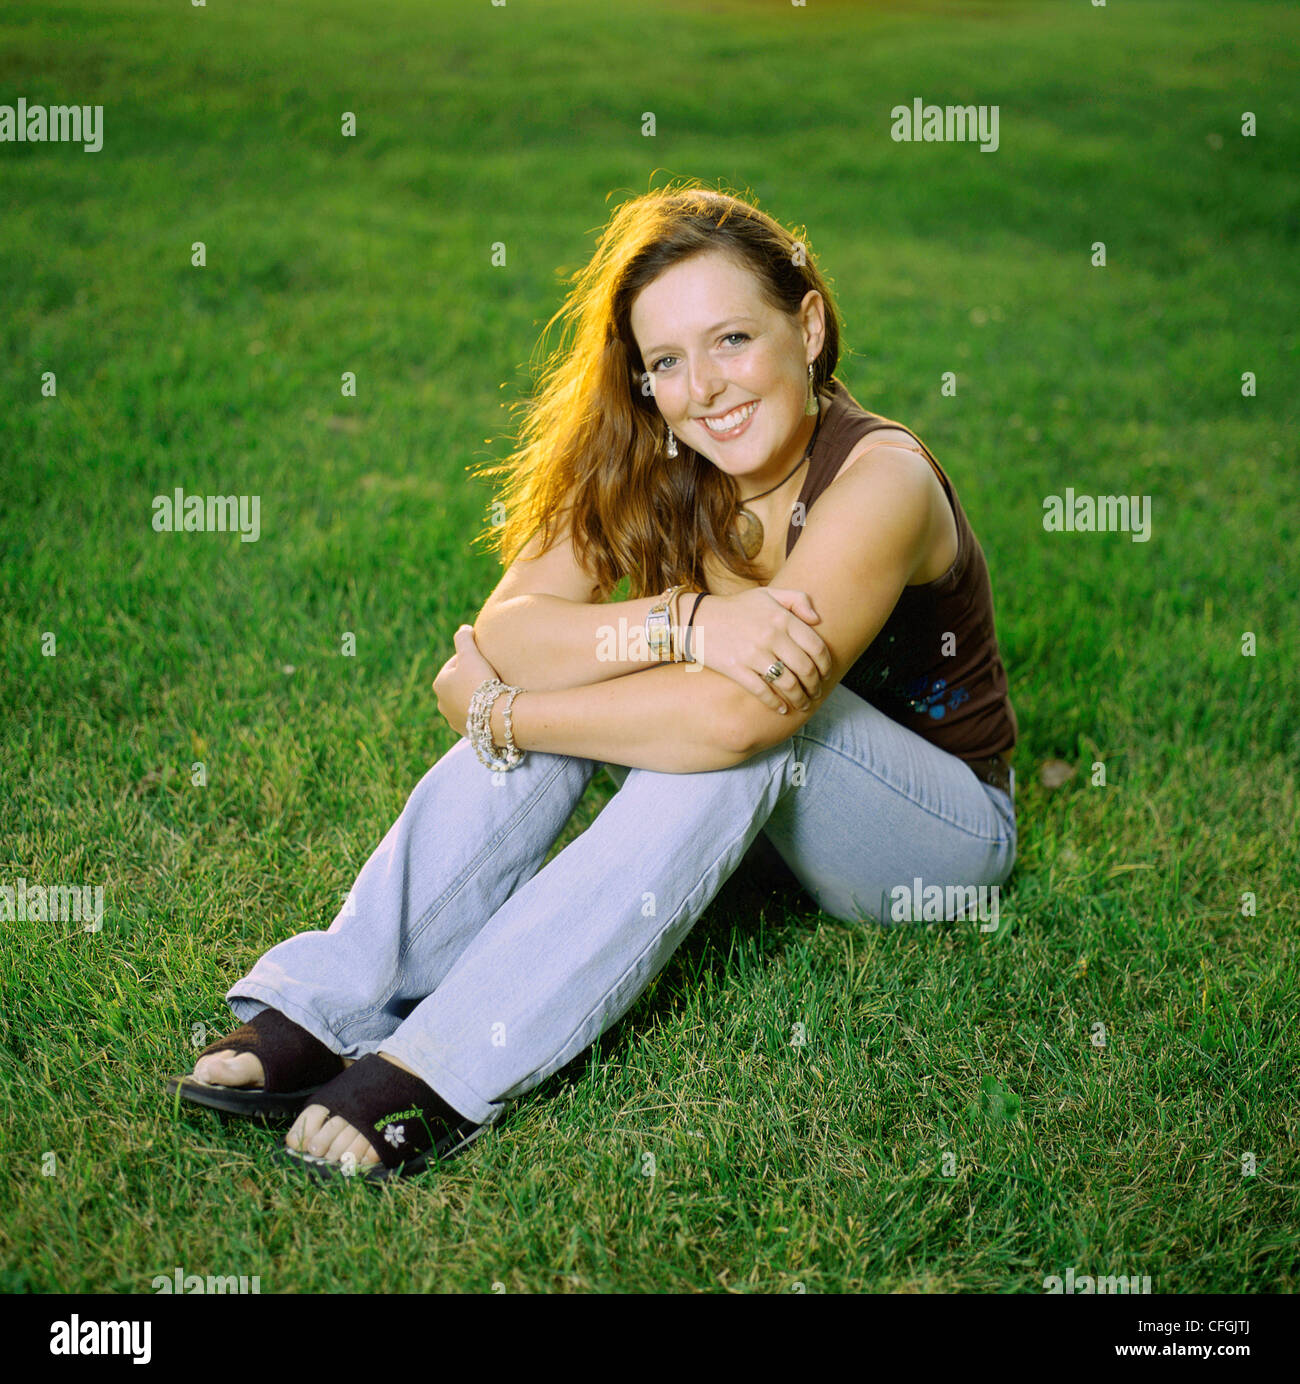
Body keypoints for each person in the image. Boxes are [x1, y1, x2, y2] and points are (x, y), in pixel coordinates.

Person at [167, 182, 1018, 1182]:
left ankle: (446, 1062)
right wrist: (684, 621)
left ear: (810, 323)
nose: (704, 387)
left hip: (930, 838)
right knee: (668, 663)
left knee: (737, 713)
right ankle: (333, 996)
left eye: (732, 339)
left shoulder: (879, 479)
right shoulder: (654, 447)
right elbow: (510, 626)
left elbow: (737, 715)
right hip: (757, 813)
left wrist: (508, 714)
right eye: (666, 361)